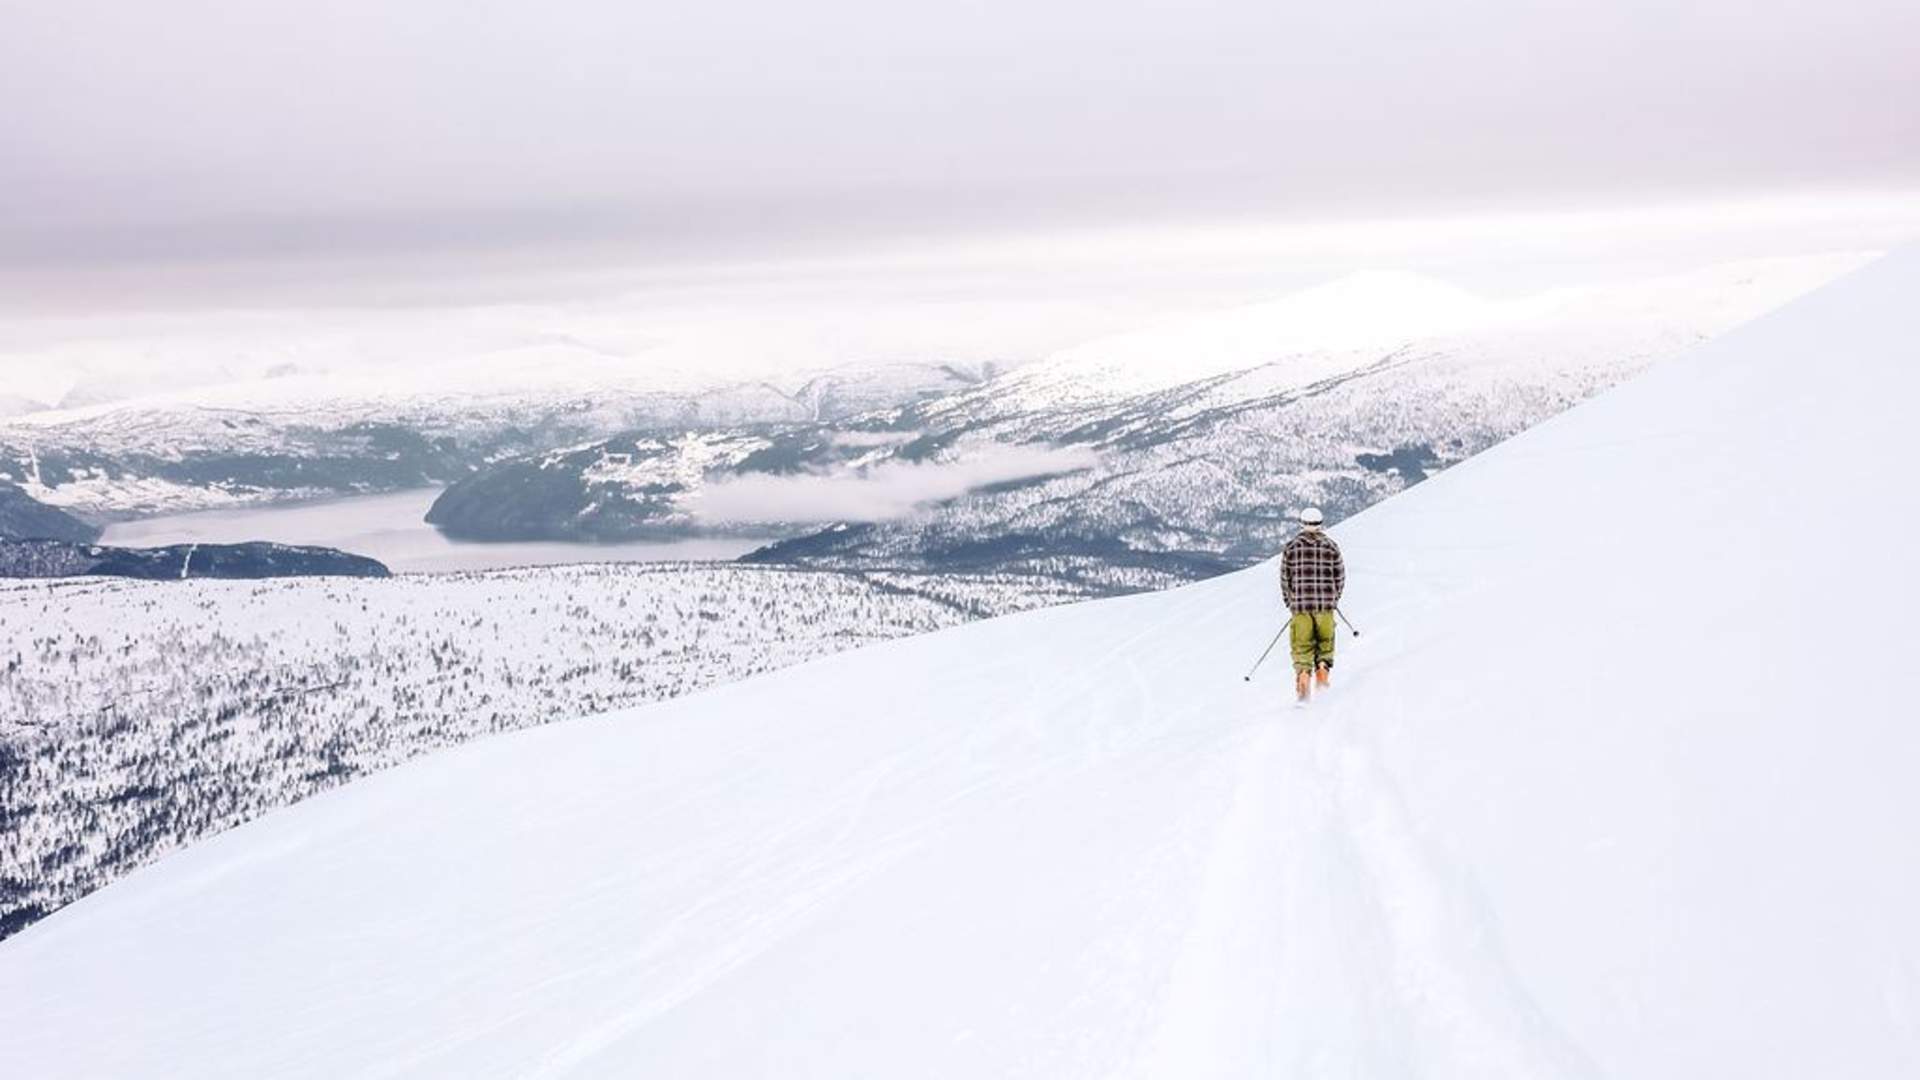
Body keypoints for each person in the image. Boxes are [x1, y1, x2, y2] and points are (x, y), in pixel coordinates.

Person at [1280, 506, 1345, 702]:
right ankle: (1323, 675)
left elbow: (1285, 578)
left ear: (1302, 524)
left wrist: (1290, 602)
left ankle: (1303, 681)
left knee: (1302, 647)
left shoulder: (1291, 547)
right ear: (1320, 524)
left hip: (1300, 607)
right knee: (1325, 645)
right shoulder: (1331, 547)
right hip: (1325, 607)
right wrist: (1334, 599)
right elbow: (1340, 576)